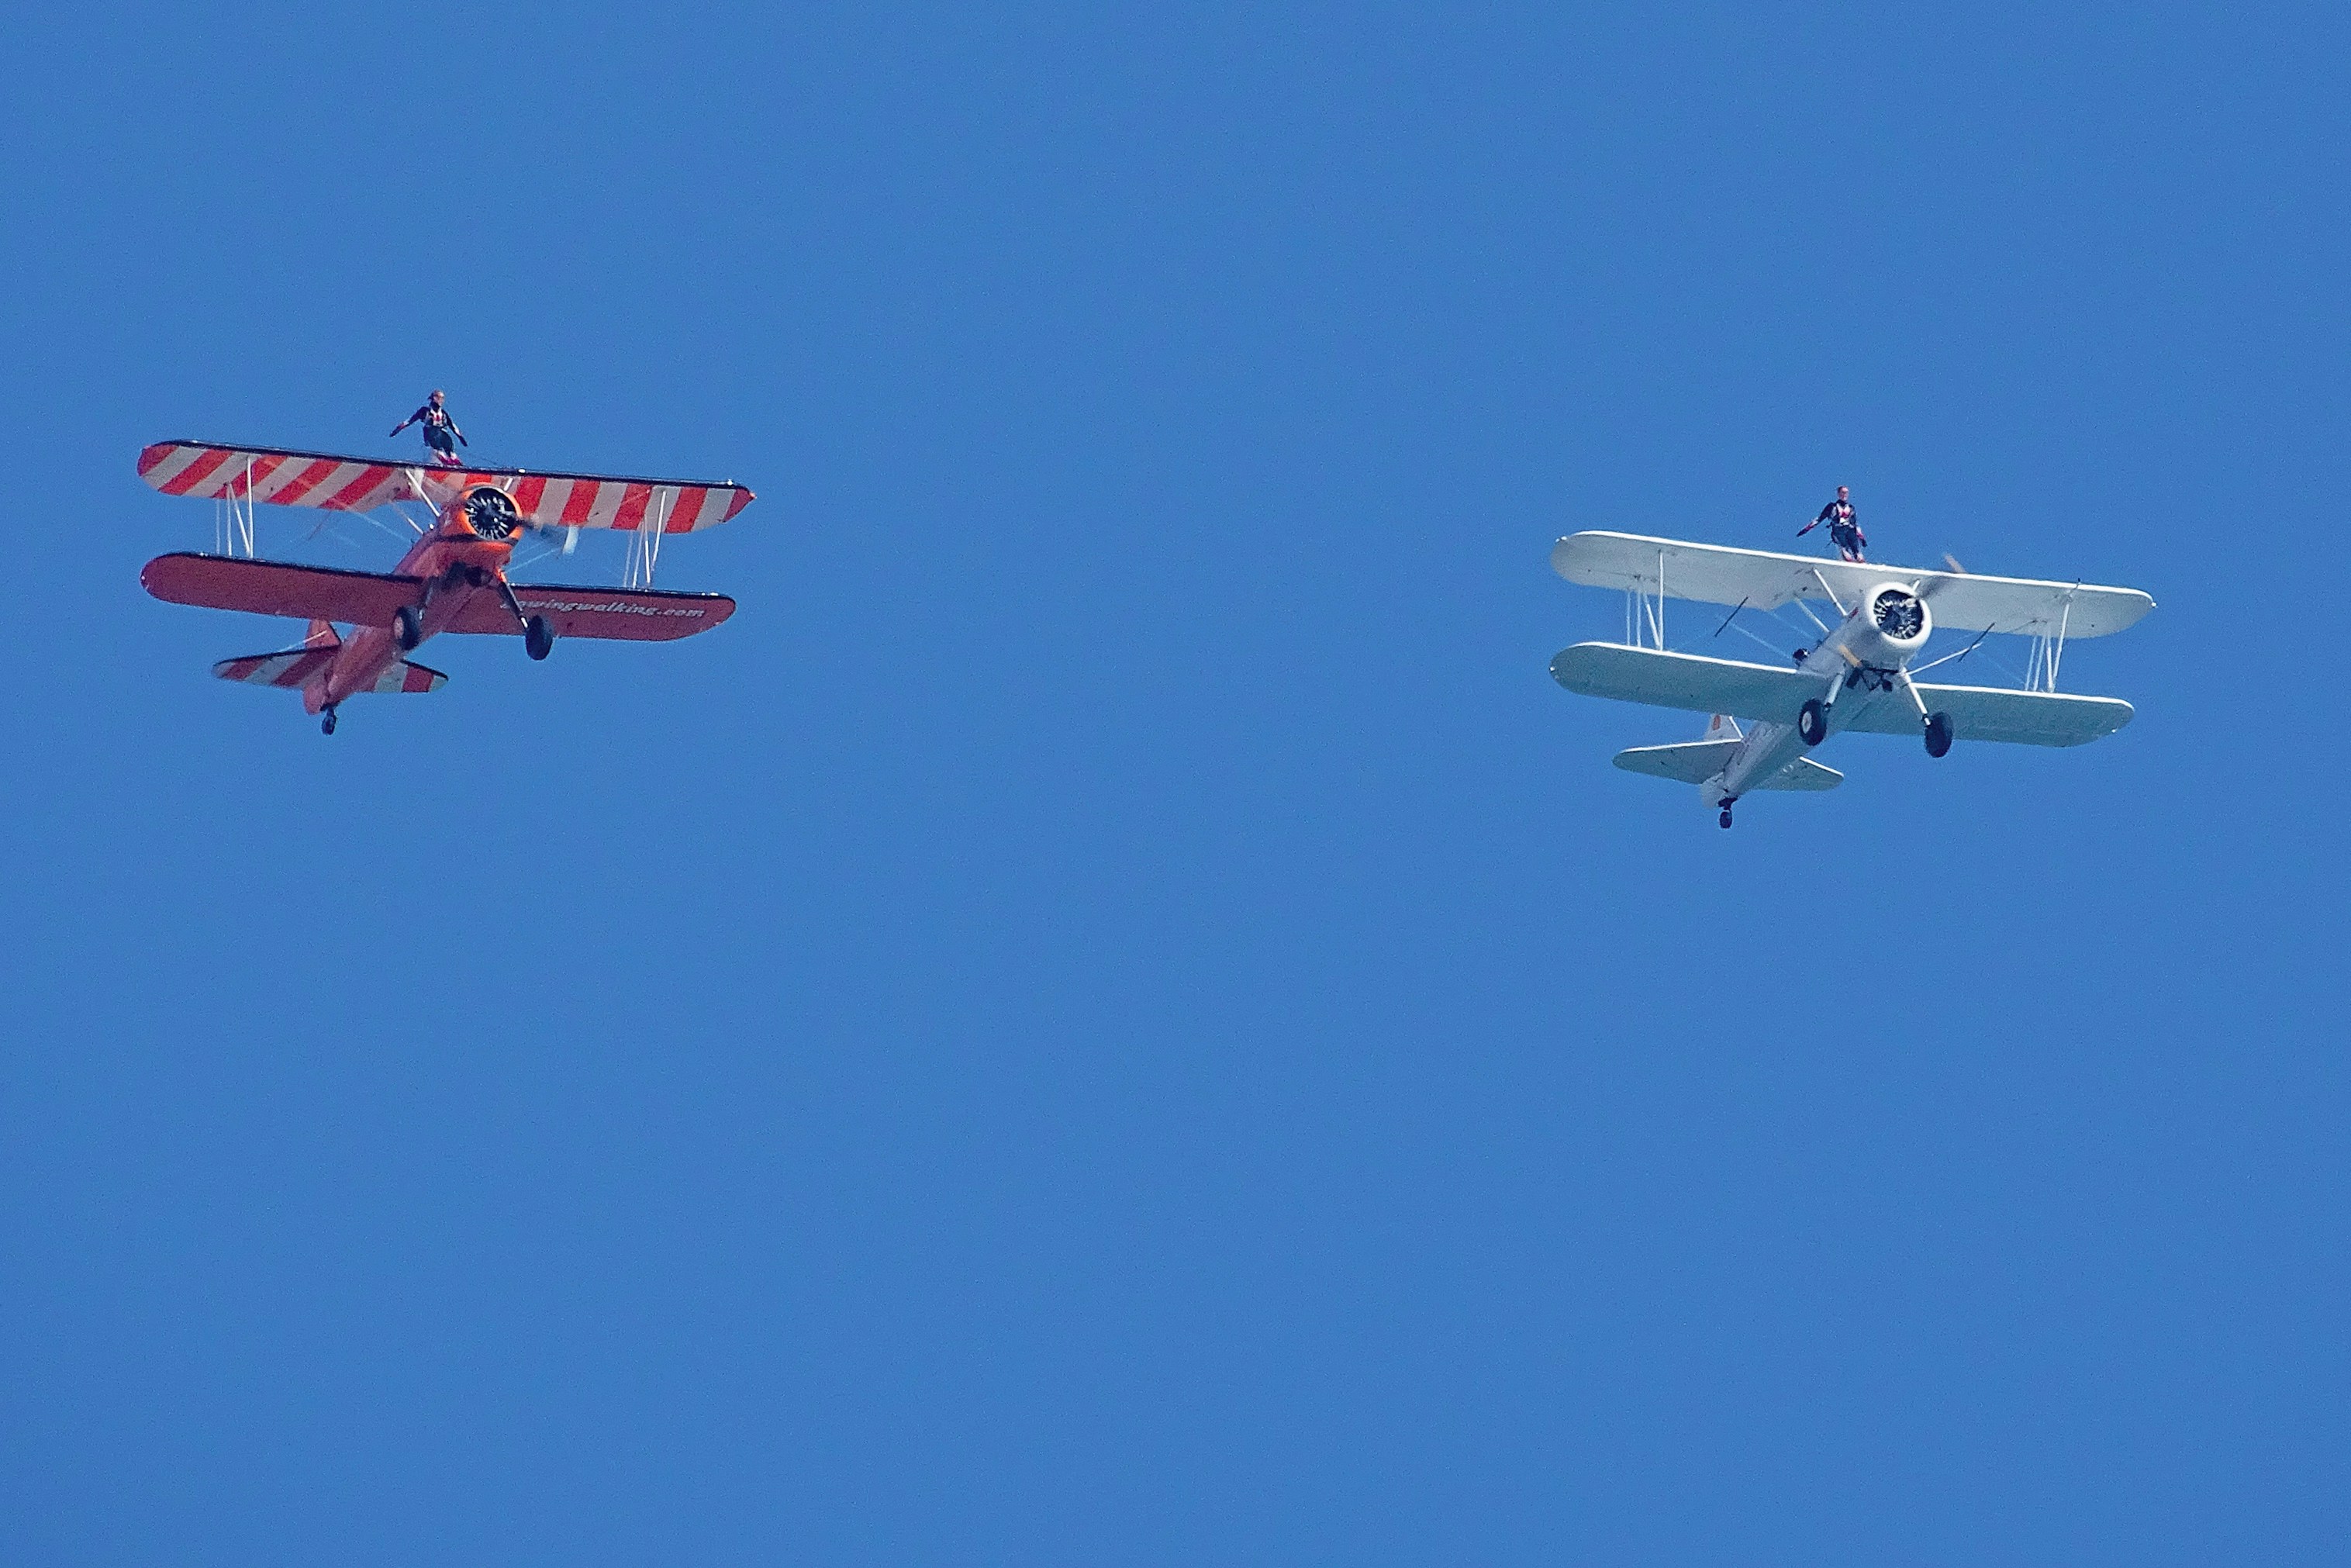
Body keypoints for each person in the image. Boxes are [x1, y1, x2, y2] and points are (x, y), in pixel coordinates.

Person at [390, 389, 467, 467]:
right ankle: (443, 459)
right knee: (437, 445)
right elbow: (411, 420)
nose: (440, 400)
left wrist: (460, 437)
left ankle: (454, 459)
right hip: (431, 432)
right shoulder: (425, 411)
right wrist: (398, 428)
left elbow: (452, 425)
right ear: (433, 398)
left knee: (448, 443)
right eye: (438, 397)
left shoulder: (443, 413)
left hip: (441, 431)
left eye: (442, 398)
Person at [1797, 485, 1865, 562]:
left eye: (1846, 493)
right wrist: (1806, 529)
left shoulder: (1851, 508)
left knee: (1857, 552)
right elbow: (1819, 519)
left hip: (1851, 530)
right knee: (1844, 549)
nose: (1844, 495)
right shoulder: (1832, 507)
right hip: (1839, 531)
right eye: (1842, 493)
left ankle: (1862, 565)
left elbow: (1855, 523)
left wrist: (1861, 537)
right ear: (1838, 494)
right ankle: (1849, 562)